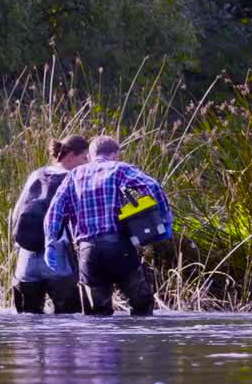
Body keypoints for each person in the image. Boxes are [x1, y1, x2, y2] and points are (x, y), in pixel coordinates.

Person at [43, 135, 172, 316]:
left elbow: (54, 211)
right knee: (142, 305)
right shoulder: (119, 169)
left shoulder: (74, 175)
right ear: (116, 154)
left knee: (96, 314)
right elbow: (152, 186)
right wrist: (165, 218)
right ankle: (137, 341)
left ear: (90, 154)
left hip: (88, 252)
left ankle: (101, 343)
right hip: (118, 247)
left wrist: (50, 241)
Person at [10, 135, 90, 313]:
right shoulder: (74, 177)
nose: (87, 163)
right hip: (58, 257)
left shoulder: (36, 174)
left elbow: (16, 213)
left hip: (26, 259)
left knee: (28, 322)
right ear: (70, 156)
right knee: (69, 321)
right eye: (84, 158)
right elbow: (78, 219)